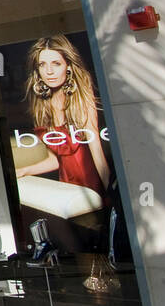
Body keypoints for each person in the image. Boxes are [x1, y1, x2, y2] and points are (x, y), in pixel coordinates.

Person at [14, 35, 111, 199]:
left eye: (56, 64)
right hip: (68, 190)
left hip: (93, 187)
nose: (49, 71)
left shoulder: (81, 99)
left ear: (68, 66)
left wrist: (113, 193)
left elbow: (96, 149)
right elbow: (57, 160)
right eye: (42, 65)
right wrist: (23, 171)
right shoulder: (41, 106)